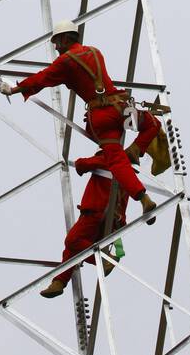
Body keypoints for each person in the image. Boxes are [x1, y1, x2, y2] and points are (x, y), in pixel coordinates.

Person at [0, 19, 159, 294]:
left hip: (101, 117)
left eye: (56, 44)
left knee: (115, 160)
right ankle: (139, 175)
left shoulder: (65, 62)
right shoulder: (95, 52)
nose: (56, 49)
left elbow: (43, 78)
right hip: (120, 106)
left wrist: (13, 89)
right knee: (152, 124)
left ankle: (141, 199)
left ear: (62, 41)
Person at [39, 108, 162, 300]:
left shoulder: (109, 159)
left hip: (96, 212)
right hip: (112, 222)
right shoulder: (126, 170)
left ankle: (104, 261)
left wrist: (82, 162)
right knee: (74, 248)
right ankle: (60, 282)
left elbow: (83, 164)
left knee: (72, 241)